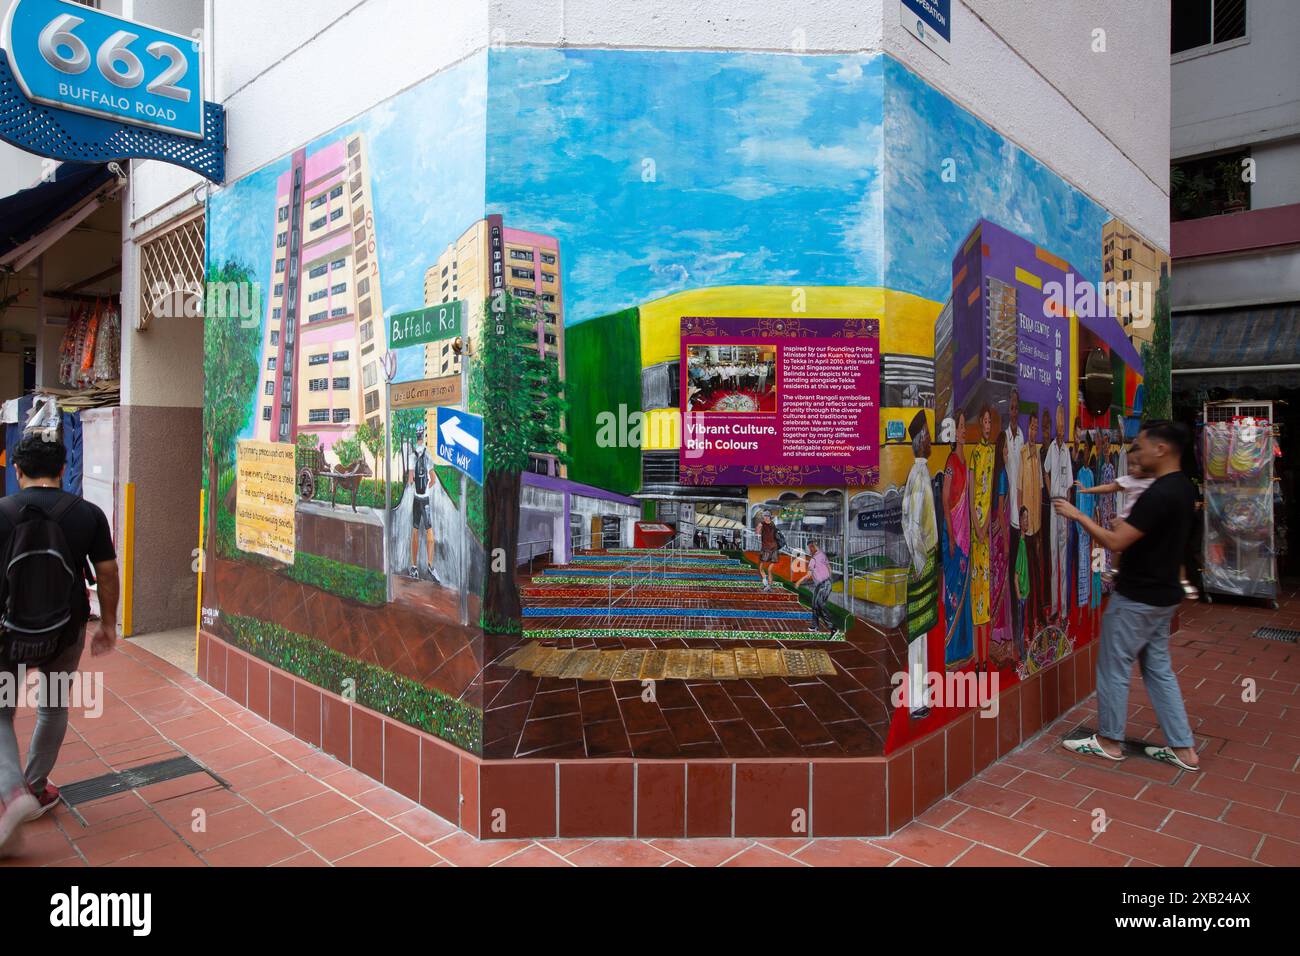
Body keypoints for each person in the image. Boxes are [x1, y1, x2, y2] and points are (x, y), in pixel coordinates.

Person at [1056, 421, 1200, 770]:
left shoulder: (1158, 494)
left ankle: (1109, 740)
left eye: (1142, 445)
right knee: (1159, 670)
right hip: (1163, 596)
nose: (1137, 451)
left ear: (1161, 449)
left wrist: (1078, 515)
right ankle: (1184, 749)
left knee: (1113, 666)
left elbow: (1116, 542)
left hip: (1138, 597)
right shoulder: (1183, 488)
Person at [0, 434, 118, 857]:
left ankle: (12, 794)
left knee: (1, 712)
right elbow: (107, 572)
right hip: (65, 632)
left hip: (7, 636)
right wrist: (108, 624)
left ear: (18, 471)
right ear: (64, 470)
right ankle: (35, 785)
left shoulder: (2, 511)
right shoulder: (87, 514)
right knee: (52, 706)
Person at [901, 411, 939, 719]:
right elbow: (912, 525)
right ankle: (916, 701)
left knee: (922, 632)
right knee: (917, 633)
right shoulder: (918, 475)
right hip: (920, 561)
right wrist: (919, 561)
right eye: (927, 434)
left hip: (924, 558)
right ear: (920, 439)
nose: (931, 439)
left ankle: (921, 697)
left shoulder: (922, 472)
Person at [1076, 447, 1153, 577]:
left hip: (1141, 521)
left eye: (1135, 464)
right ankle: (1114, 570)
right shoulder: (1129, 480)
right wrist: (1087, 490)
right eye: (1130, 465)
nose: (1131, 468)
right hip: (1126, 520)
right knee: (1116, 542)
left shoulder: (1152, 482)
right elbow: (1108, 488)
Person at [941, 411, 972, 668]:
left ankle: (964, 649)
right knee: (953, 592)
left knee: (964, 592)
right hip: (953, 536)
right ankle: (951, 652)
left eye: (964, 426)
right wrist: (951, 537)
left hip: (966, 537)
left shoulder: (966, 460)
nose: (963, 430)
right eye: (960, 426)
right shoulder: (951, 461)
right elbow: (945, 499)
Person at [968, 405, 995, 673]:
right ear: (979, 425)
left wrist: (986, 525)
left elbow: (992, 492)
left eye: (989, 422)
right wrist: (976, 526)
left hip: (986, 532)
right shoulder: (975, 454)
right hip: (975, 531)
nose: (987, 426)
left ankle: (986, 659)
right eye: (984, 422)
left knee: (985, 594)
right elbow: (970, 494)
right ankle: (977, 659)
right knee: (976, 593)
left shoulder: (993, 453)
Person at [1044, 404, 1073, 623]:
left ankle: (1063, 611)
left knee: (1063, 558)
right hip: (1053, 505)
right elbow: (1045, 471)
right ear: (1056, 426)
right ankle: (1054, 607)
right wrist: (1049, 492)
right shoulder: (1052, 448)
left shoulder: (1066, 452)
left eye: (1064, 425)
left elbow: (1070, 484)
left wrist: (1068, 509)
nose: (1061, 429)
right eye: (1059, 424)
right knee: (1054, 556)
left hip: (1064, 506)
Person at [1020, 413, 1046, 635]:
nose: (1034, 431)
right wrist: (1022, 524)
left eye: (1036, 428)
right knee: (1027, 577)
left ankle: (1040, 615)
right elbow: (1020, 490)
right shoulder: (1022, 455)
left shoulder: (1037, 455)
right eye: (1032, 427)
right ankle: (1028, 623)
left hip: (1037, 527)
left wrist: (1039, 527)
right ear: (1027, 427)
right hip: (1026, 528)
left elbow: (1040, 490)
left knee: (1038, 574)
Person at [1003, 389, 1025, 652]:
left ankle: (1020, 628)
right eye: (1011, 407)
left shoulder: (1021, 437)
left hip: (1021, 516)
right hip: (1008, 516)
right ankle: (1012, 631)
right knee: (1012, 576)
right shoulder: (1005, 439)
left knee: (1022, 574)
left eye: (1017, 407)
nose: (1014, 411)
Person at [405, 423, 440, 583]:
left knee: (415, 530)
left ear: (415, 436)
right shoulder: (429, 455)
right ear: (424, 435)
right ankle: (430, 566)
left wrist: (413, 484)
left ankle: (414, 567)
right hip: (425, 498)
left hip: (415, 499)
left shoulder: (411, 456)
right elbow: (433, 480)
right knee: (429, 530)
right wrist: (426, 487)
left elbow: (410, 480)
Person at [796, 541, 835, 633]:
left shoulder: (813, 560)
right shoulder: (822, 555)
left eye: (810, 548)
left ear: (812, 547)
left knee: (820, 605)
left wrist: (799, 582)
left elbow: (808, 575)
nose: (809, 550)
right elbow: (829, 568)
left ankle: (832, 627)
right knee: (814, 605)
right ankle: (815, 626)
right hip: (822, 584)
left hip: (823, 584)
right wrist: (830, 579)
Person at [755, 509, 780, 591]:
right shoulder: (773, 524)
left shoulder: (762, 524)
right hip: (774, 548)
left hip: (767, 548)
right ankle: (768, 585)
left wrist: (759, 528)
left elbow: (757, 533)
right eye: (765, 516)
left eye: (766, 516)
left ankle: (766, 584)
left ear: (769, 517)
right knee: (768, 569)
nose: (766, 517)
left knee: (761, 568)